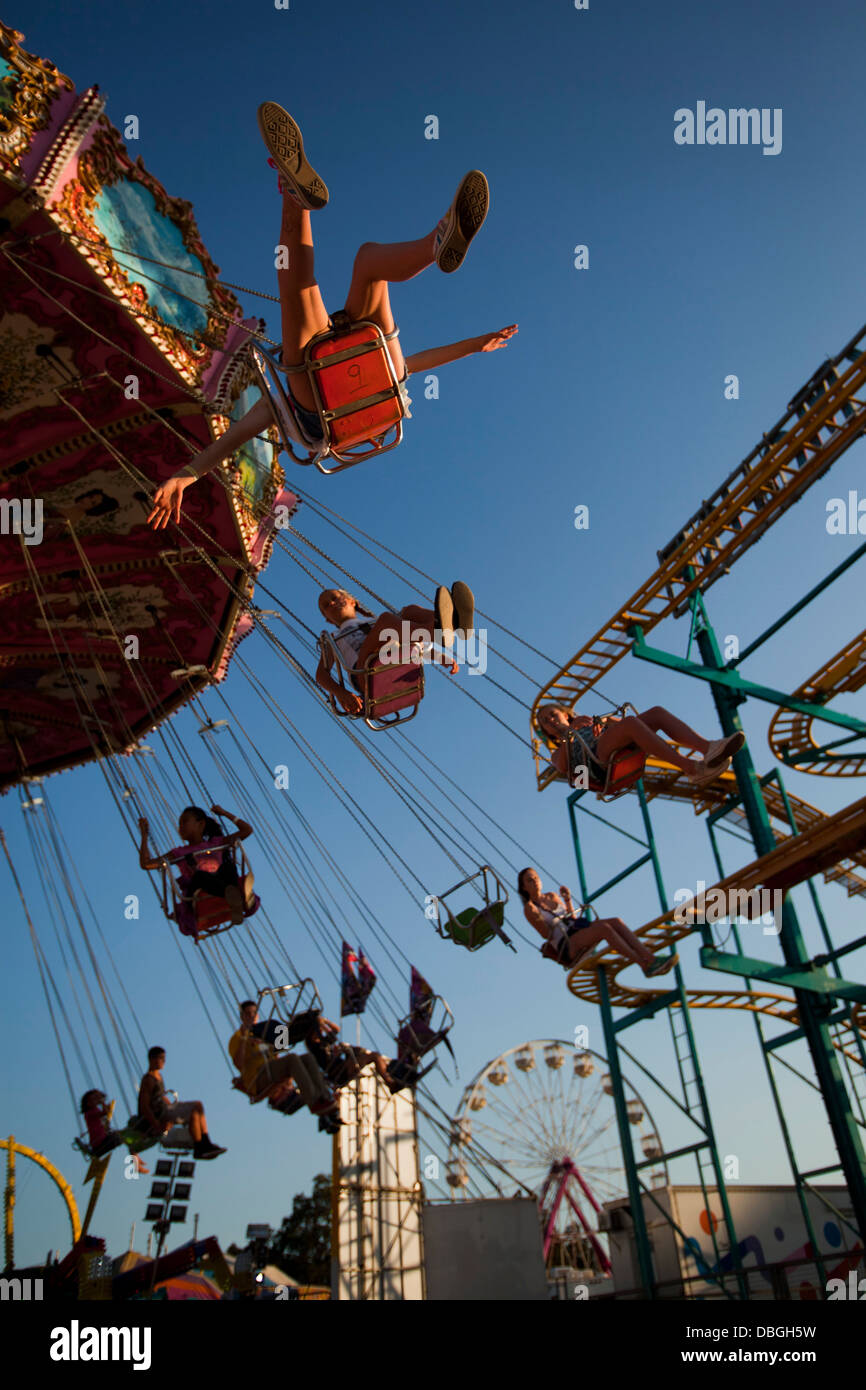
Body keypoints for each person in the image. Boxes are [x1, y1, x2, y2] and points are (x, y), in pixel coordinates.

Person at [147, 102, 517, 529]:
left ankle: (431, 240)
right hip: (366, 391)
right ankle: (408, 236)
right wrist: (476, 345)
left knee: (363, 268)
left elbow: (234, 438)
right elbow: (419, 363)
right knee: (303, 286)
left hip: (344, 404)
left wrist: (187, 475)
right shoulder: (290, 399)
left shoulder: (280, 409)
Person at [316, 583, 472, 716]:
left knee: (408, 611)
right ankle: (436, 630)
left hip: (394, 656)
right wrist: (341, 693)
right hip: (366, 673)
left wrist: (438, 656)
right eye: (325, 606)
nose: (331, 603)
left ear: (352, 602)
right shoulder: (333, 637)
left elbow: (409, 640)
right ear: (328, 620)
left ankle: (452, 622)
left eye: (335, 598)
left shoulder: (373, 622)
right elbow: (321, 675)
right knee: (386, 621)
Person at [537, 704, 745, 791]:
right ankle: (691, 768)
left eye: (553, 715)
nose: (551, 721)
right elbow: (563, 767)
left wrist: (606, 720)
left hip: (612, 744)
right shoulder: (558, 752)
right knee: (629, 725)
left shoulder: (587, 722)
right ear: (547, 731)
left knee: (656, 714)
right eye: (546, 721)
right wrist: (570, 734)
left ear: (565, 713)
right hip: (597, 765)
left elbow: (630, 725)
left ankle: (708, 748)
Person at [517, 869, 678, 977]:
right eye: (530, 880)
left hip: (575, 931)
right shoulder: (529, 908)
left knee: (616, 921)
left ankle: (649, 958)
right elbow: (546, 934)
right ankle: (645, 965)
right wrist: (539, 918)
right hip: (566, 944)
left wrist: (567, 901)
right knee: (604, 929)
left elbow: (571, 918)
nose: (535, 881)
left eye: (536, 878)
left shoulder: (552, 896)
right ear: (524, 887)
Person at [138, 804, 255, 931]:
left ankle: (235, 896)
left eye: (184, 822)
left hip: (220, 881)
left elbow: (247, 830)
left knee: (229, 866)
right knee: (200, 875)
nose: (180, 827)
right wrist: (144, 835)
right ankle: (233, 896)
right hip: (196, 891)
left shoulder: (216, 843)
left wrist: (224, 812)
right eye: (179, 824)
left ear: (201, 824)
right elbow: (147, 864)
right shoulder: (178, 853)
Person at [228, 1001, 340, 1131]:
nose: (252, 1017)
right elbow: (239, 1064)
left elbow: (276, 1057)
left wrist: (288, 1080)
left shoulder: (262, 1032)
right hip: (257, 1076)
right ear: (242, 1017)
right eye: (248, 1014)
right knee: (292, 1059)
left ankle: (325, 1097)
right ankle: (314, 1100)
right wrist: (244, 1038)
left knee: (307, 1058)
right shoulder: (237, 1038)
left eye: (254, 1013)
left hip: (271, 1069)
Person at [136, 1047, 226, 1159]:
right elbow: (144, 1106)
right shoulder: (148, 1079)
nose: (164, 1061)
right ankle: (201, 1146)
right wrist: (157, 1125)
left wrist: (175, 1105)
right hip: (160, 1115)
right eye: (161, 1058)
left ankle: (202, 1145)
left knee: (196, 1110)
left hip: (166, 1109)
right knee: (195, 1107)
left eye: (164, 1058)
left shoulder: (158, 1076)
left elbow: (160, 1097)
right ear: (152, 1059)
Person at [79, 1091, 149, 1171]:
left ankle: (135, 1158)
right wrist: (102, 1103)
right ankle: (135, 1160)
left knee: (126, 1135)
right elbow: (105, 1112)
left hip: (102, 1140)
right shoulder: (90, 1112)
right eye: (94, 1099)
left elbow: (103, 1121)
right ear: (88, 1103)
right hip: (100, 1142)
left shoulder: (94, 1111)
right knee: (126, 1135)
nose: (96, 1101)